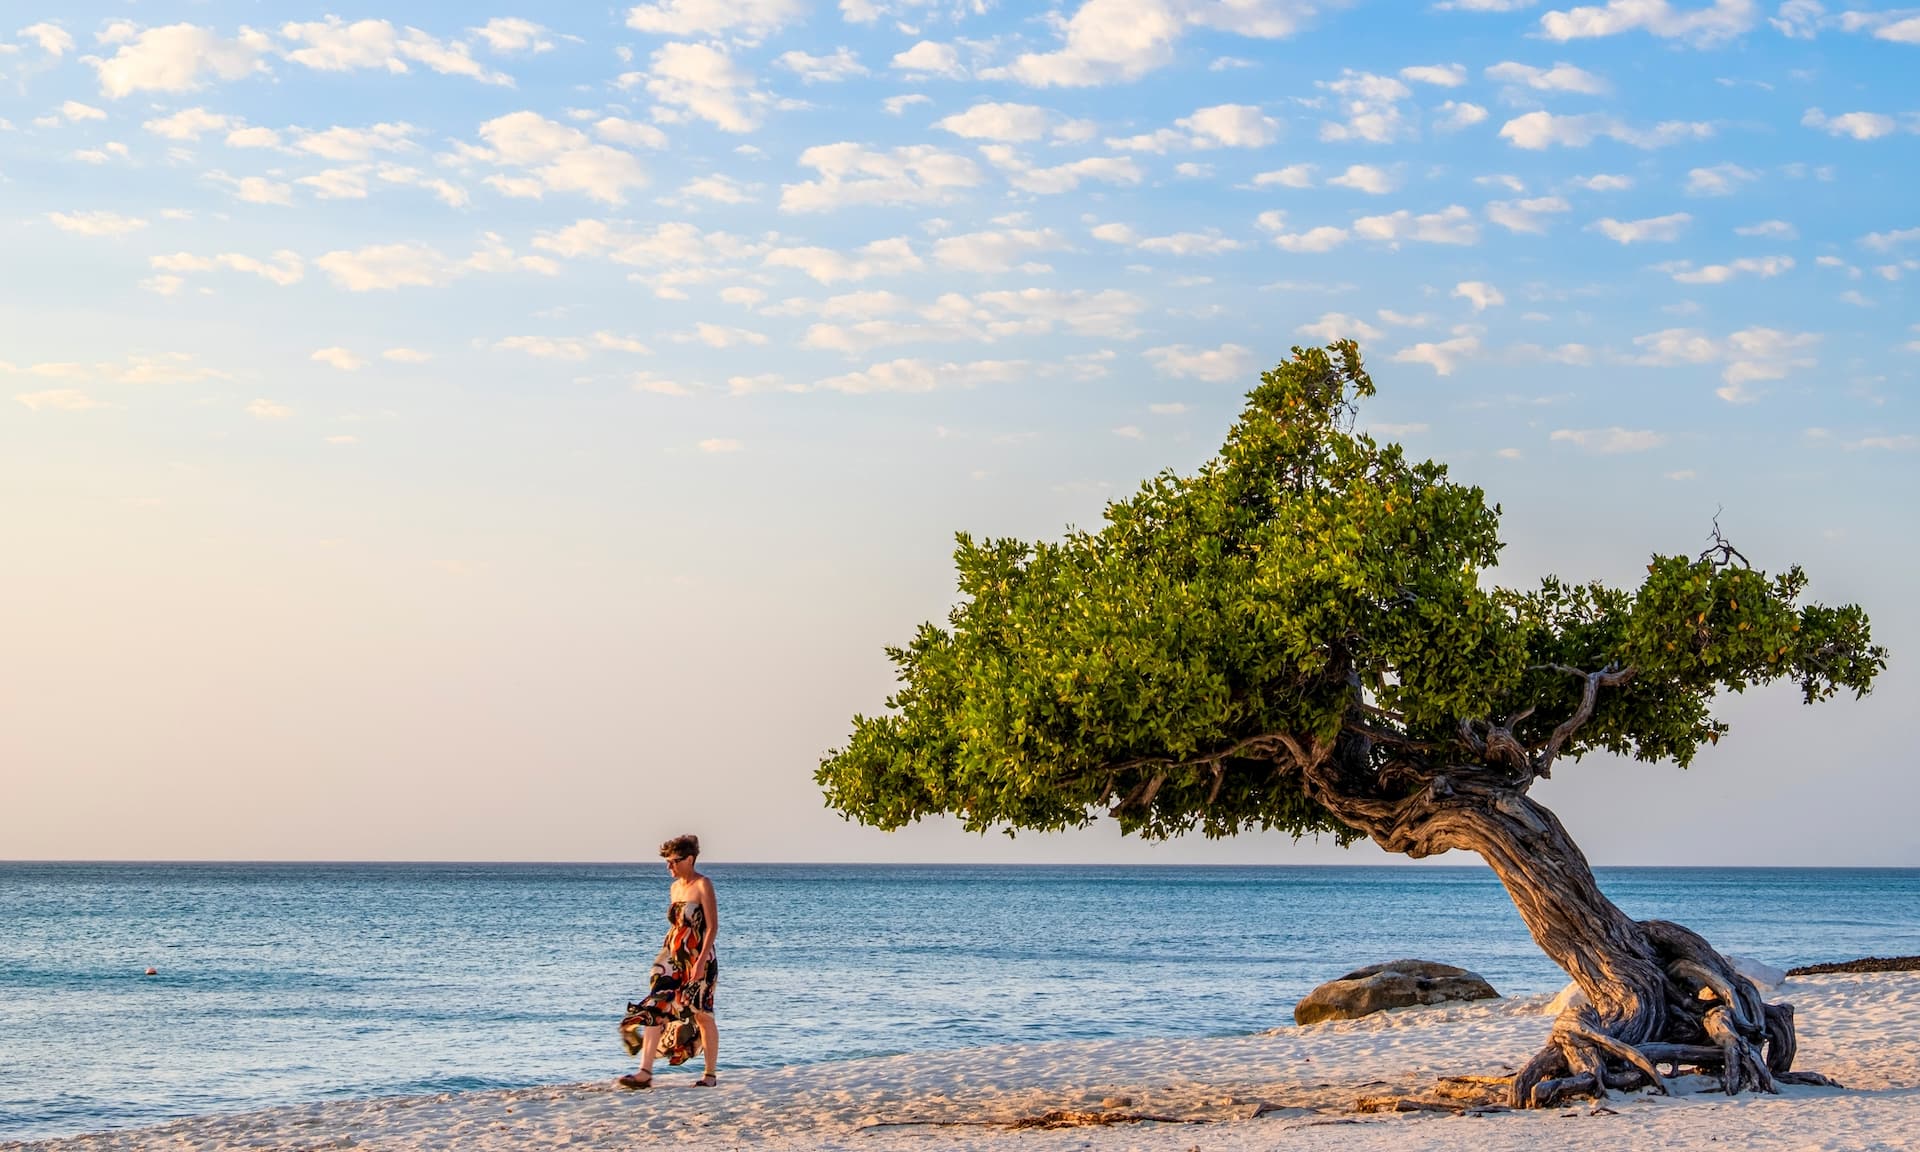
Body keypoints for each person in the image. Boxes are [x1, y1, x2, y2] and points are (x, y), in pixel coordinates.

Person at [617, 834, 719, 1088]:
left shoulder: (703, 884)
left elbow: (711, 927)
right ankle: (645, 1072)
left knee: (703, 1016)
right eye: (667, 861)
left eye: (674, 861)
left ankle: (709, 1076)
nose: (669, 866)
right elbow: (677, 926)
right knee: (655, 1007)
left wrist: (700, 962)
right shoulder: (674, 888)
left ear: (690, 859)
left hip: (699, 959)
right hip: (672, 958)